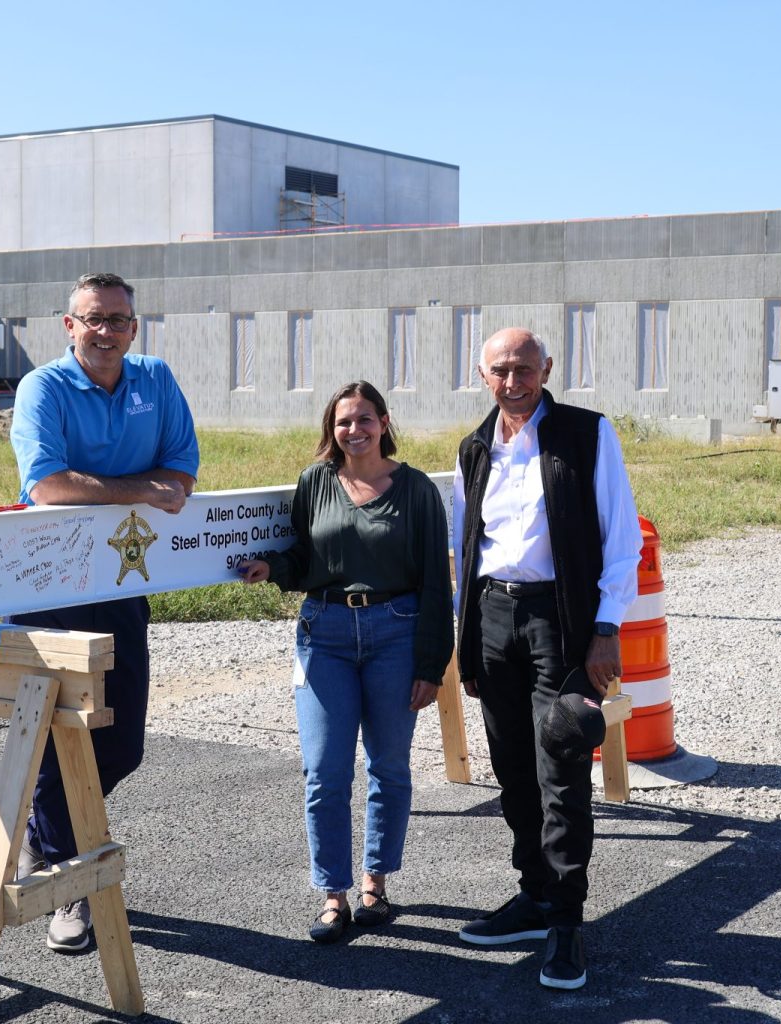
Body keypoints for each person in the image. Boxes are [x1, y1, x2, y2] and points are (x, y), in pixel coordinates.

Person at [8, 272, 199, 954]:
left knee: (120, 745)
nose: (106, 331)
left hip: (120, 585)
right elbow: (47, 484)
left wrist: (138, 489)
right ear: (70, 326)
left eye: (118, 320)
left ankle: (42, 833)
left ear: (134, 327)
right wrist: (138, 490)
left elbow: (181, 474)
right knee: (62, 731)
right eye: (93, 319)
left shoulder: (156, 379)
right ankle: (69, 885)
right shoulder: (43, 389)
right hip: (46, 589)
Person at [451, 328, 642, 991]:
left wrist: (607, 627)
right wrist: (466, 639)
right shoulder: (475, 447)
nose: (514, 381)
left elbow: (622, 537)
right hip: (492, 618)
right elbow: (464, 546)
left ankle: (564, 922)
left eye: (525, 368)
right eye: (501, 370)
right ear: (483, 375)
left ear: (547, 369)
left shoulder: (587, 434)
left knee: (560, 770)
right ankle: (533, 895)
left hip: (559, 623)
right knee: (513, 771)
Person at [239, 381, 453, 944]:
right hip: (324, 633)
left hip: (396, 633)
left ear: (384, 422)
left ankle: (375, 885)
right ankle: (333, 895)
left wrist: (431, 664)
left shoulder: (416, 490)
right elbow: (304, 556)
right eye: (343, 422)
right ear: (330, 429)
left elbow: (437, 581)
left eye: (364, 419)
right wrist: (273, 568)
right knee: (324, 772)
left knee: (389, 766)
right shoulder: (315, 481)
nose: (353, 430)